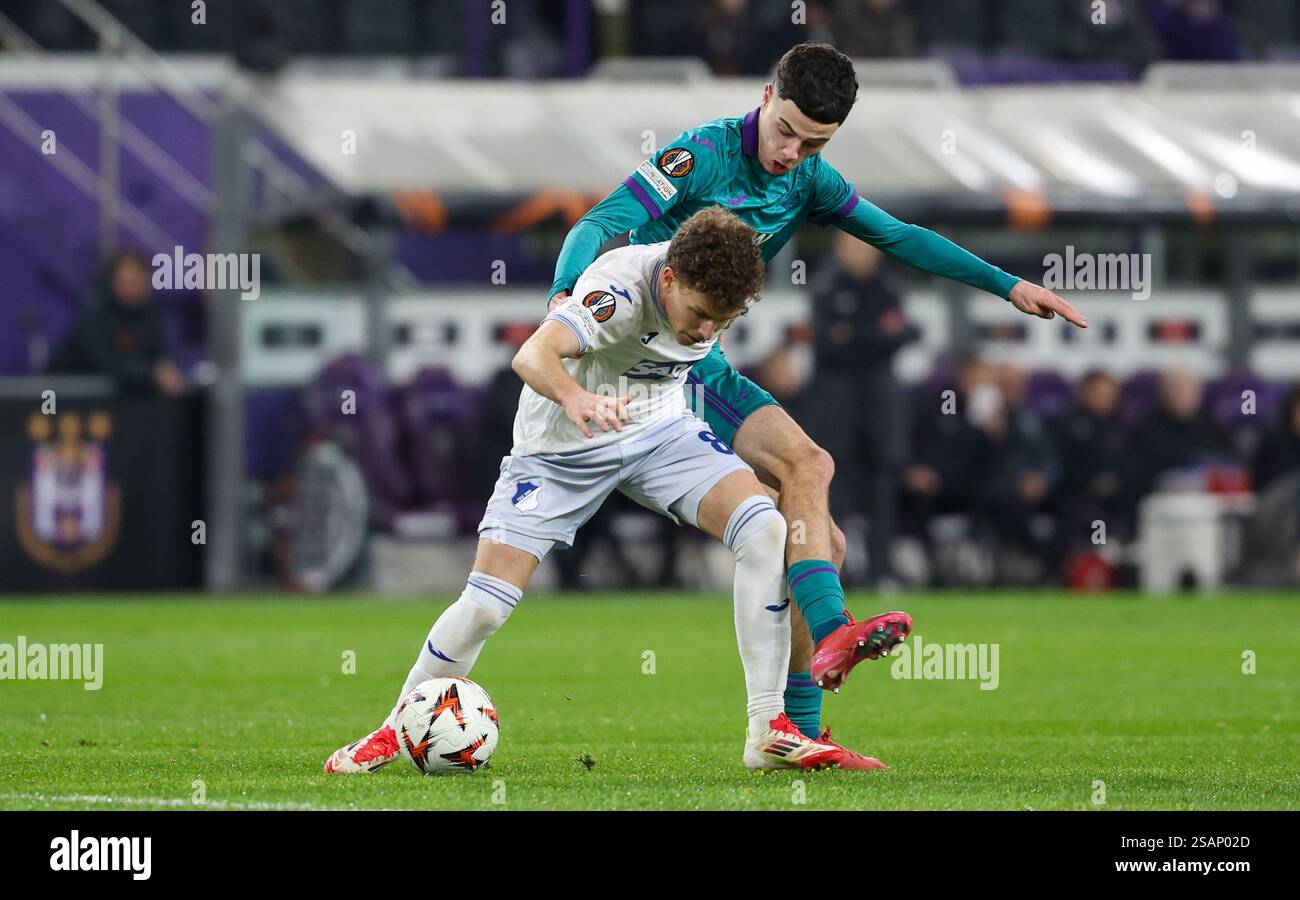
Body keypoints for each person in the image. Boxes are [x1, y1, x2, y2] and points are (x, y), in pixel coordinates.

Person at [547, 41, 1087, 740]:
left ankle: (797, 726)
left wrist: (1008, 285)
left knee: (820, 542)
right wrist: (565, 295)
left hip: (696, 365)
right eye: (785, 132)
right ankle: (822, 656)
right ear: (768, 96)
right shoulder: (702, 153)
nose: (790, 154)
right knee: (810, 475)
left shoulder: (810, 180)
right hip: (644, 360)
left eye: (813, 143)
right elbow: (599, 221)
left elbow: (898, 236)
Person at [325, 208, 906, 774]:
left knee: (766, 526)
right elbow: (532, 355)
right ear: (671, 279)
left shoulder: (707, 301)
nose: (706, 332)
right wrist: (576, 399)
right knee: (482, 609)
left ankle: (767, 731)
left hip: (659, 431)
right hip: (560, 452)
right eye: (701, 314)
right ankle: (391, 728)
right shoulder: (618, 290)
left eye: (721, 323)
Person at [804, 234, 916, 586]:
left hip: (879, 406)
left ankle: (880, 572)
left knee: (883, 486)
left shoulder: (888, 284)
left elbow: (907, 332)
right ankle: (836, 572)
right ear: (839, 248)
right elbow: (828, 342)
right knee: (835, 487)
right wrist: (878, 337)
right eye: (851, 245)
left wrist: (854, 335)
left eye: (864, 246)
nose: (860, 253)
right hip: (836, 407)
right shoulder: (826, 284)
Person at [49, 250, 186, 397]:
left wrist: (163, 369)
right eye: (127, 283)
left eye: (138, 282)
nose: (132, 289)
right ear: (113, 282)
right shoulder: (94, 314)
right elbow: (104, 362)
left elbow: (161, 357)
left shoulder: (151, 313)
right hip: (65, 400)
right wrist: (151, 374)